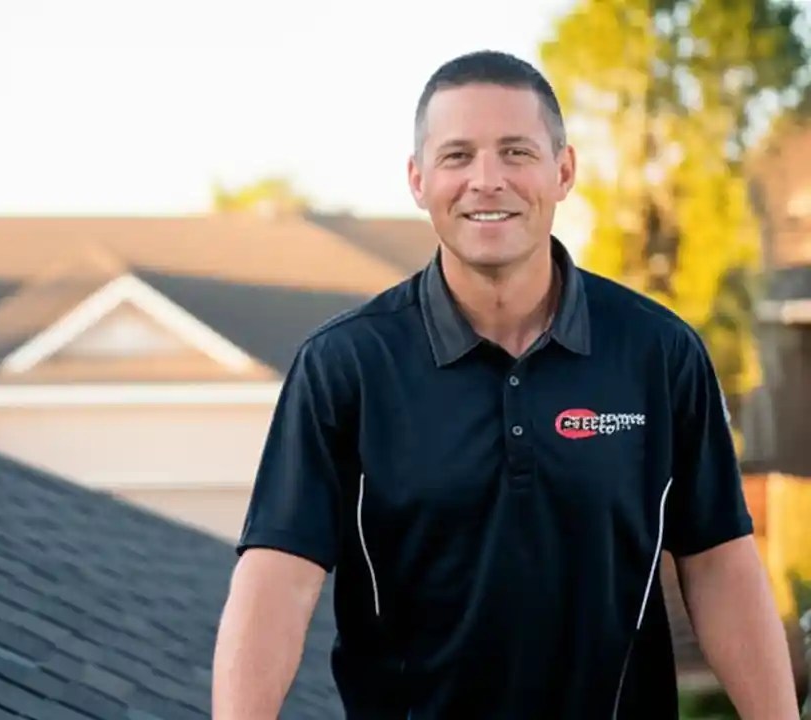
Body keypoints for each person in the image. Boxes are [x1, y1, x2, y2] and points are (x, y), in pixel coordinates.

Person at [211, 49, 799, 719]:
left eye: (515, 152)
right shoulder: (346, 367)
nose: (486, 181)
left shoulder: (658, 355)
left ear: (563, 171)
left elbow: (718, 562)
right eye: (457, 156)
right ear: (418, 179)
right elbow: (277, 583)